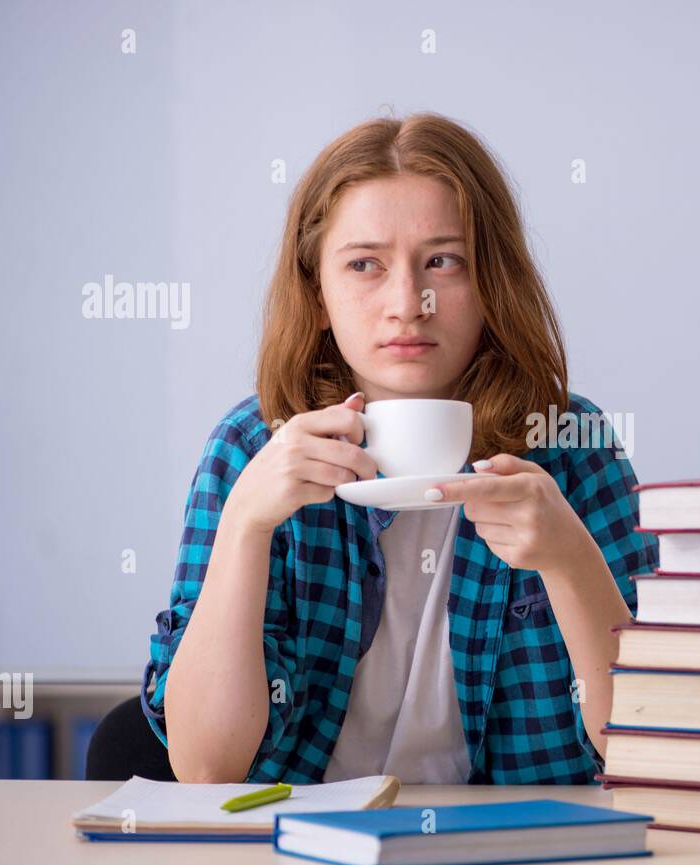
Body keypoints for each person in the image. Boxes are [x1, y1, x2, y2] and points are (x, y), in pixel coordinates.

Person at [139, 112, 657, 785]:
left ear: (491, 281)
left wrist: (568, 558)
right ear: (318, 292)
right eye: (364, 265)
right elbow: (208, 768)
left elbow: (648, 750)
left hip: (519, 853)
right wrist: (245, 526)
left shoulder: (570, 445)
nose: (408, 303)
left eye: (442, 261)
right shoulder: (250, 447)